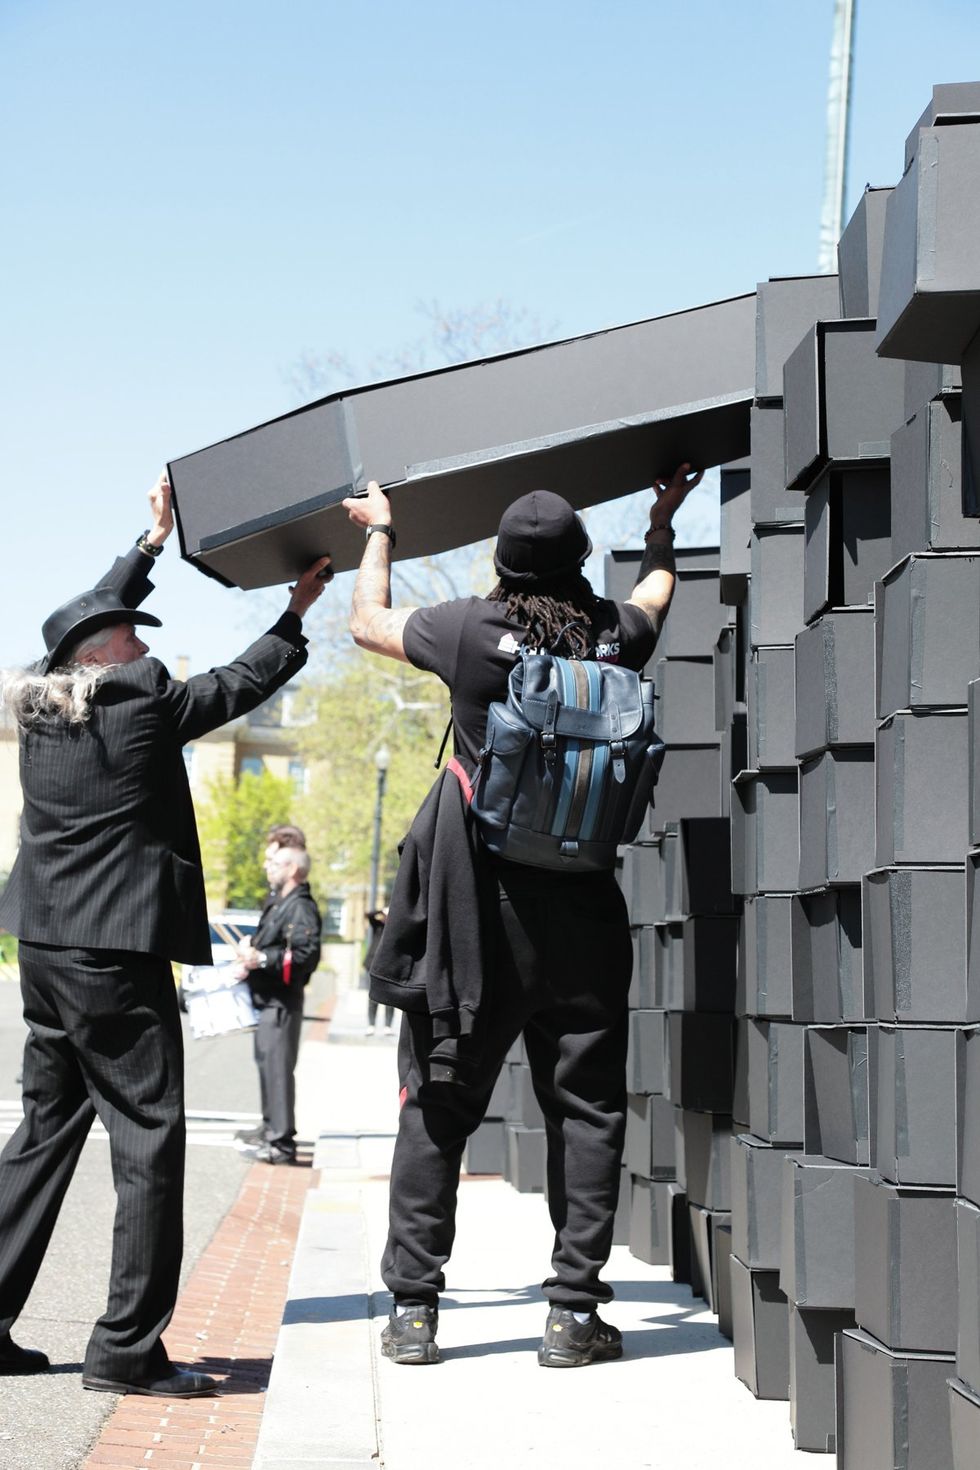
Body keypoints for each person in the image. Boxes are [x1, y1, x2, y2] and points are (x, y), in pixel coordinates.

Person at [342, 463, 701, 1367]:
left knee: (440, 1100)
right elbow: (657, 594)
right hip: (584, 907)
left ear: (501, 563)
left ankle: (415, 1311)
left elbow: (367, 623)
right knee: (586, 1109)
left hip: (477, 908)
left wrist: (381, 530)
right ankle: (573, 1315)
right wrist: (662, 525)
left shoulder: (470, 631)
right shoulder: (614, 636)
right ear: (583, 561)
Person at [0, 472, 330, 1396]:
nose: (147, 642)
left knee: (45, 1128)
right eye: (132, 635)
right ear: (102, 657)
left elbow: (83, 619)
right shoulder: (140, 707)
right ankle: (125, 1350)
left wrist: (148, 548)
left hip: (46, 949)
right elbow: (238, 683)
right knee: (149, 1138)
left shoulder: (42, 717)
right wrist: (296, 610)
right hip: (114, 957)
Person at [234, 845, 322, 1165]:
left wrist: (261, 958)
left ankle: (282, 1145)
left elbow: (304, 955)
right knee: (269, 1068)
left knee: (278, 1072)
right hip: (268, 999)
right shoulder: (280, 903)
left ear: (294, 870)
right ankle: (271, 1131)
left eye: (277, 863)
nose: (268, 866)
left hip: (281, 1001)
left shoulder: (300, 907)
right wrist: (252, 951)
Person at [363, 908, 395, 1036]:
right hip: (373, 964)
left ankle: (388, 1025)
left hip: (389, 966)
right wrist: (381, 911)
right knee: (373, 997)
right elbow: (369, 915)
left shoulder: (394, 929)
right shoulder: (378, 926)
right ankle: (371, 1024)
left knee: (390, 997)